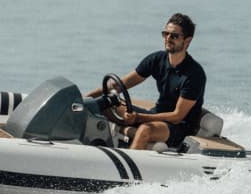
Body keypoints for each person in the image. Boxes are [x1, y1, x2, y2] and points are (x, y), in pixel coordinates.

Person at [87, 13, 206, 150]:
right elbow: (118, 85)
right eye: (165, 34)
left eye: (174, 36)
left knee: (145, 129)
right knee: (103, 105)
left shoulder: (194, 74)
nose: (168, 38)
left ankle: (128, 161)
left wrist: (138, 117)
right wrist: (84, 98)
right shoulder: (157, 59)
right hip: (156, 114)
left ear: (187, 41)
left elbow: (177, 116)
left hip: (179, 127)